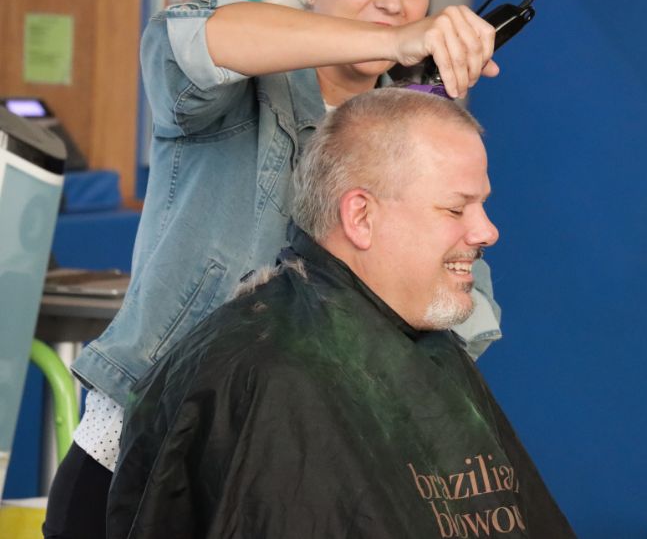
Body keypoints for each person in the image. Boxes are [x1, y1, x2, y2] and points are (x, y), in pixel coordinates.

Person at [43, 0, 504, 537]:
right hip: (148, 449)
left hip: (299, 470)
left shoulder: (413, 135)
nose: (394, 2)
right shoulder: (238, 89)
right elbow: (187, 38)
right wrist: (394, 41)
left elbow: (466, 312)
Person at [107, 89, 575, 539]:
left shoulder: (429, 347)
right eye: (456, 209)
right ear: (361, 217)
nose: (488, 232)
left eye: (481, 206)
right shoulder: (268, 377)